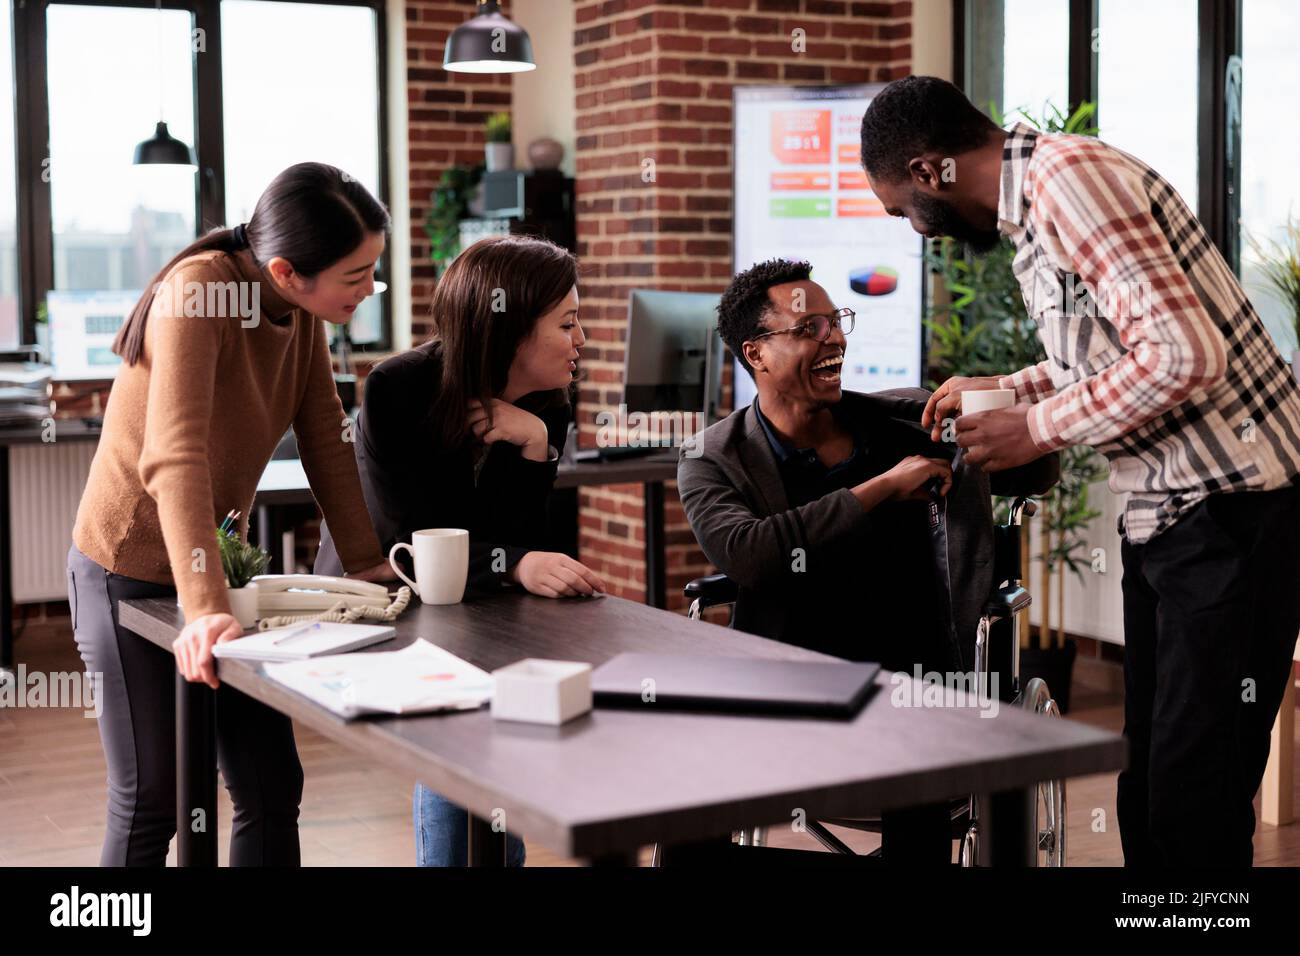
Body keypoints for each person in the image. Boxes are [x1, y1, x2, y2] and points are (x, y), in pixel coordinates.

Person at [860, 75, 1300, 866]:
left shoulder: (1069, 182)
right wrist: (1021, 387)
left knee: (1194, 798)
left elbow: (1184, 355)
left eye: (902, 209)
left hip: (1231, 507)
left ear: (931, 172)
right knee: (1152, 783)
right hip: (1170, 515)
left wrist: (1032, 428)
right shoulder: (1041, 202)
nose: (916, 230)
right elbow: (1108, 347)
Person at [68, 162, 396, 866]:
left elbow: (327, 441)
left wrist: (367, 560)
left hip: (219, 573)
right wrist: (205, 607)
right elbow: (174, 455)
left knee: (271, 783)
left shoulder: (302, 314)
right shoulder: (199, 292)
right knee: (156, 797)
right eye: (358, 274)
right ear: (285, 271)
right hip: (126, 570)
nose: (370, 289)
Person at [315, 235, 605, 866]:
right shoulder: (398, 389)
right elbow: (413, 542)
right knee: (465, 730)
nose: (582, 339)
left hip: (483, 603)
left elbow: (518, 533)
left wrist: (532, 444)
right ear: (510, 331)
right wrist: (513, 561)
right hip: (383, 600)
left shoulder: (548, 402)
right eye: (569, 323)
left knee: (497, 746)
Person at [677, 257, 976, 864]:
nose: (833, 336)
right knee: (678, 791)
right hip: (782, 686)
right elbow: (751, 556)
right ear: (756, 353)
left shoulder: (903, 423)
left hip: (907, 686)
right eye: (808, 327)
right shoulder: (714, 457)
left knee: (921, 758)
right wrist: (883, 489)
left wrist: (1003, 405)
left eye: (835, 321)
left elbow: (1038, 471)